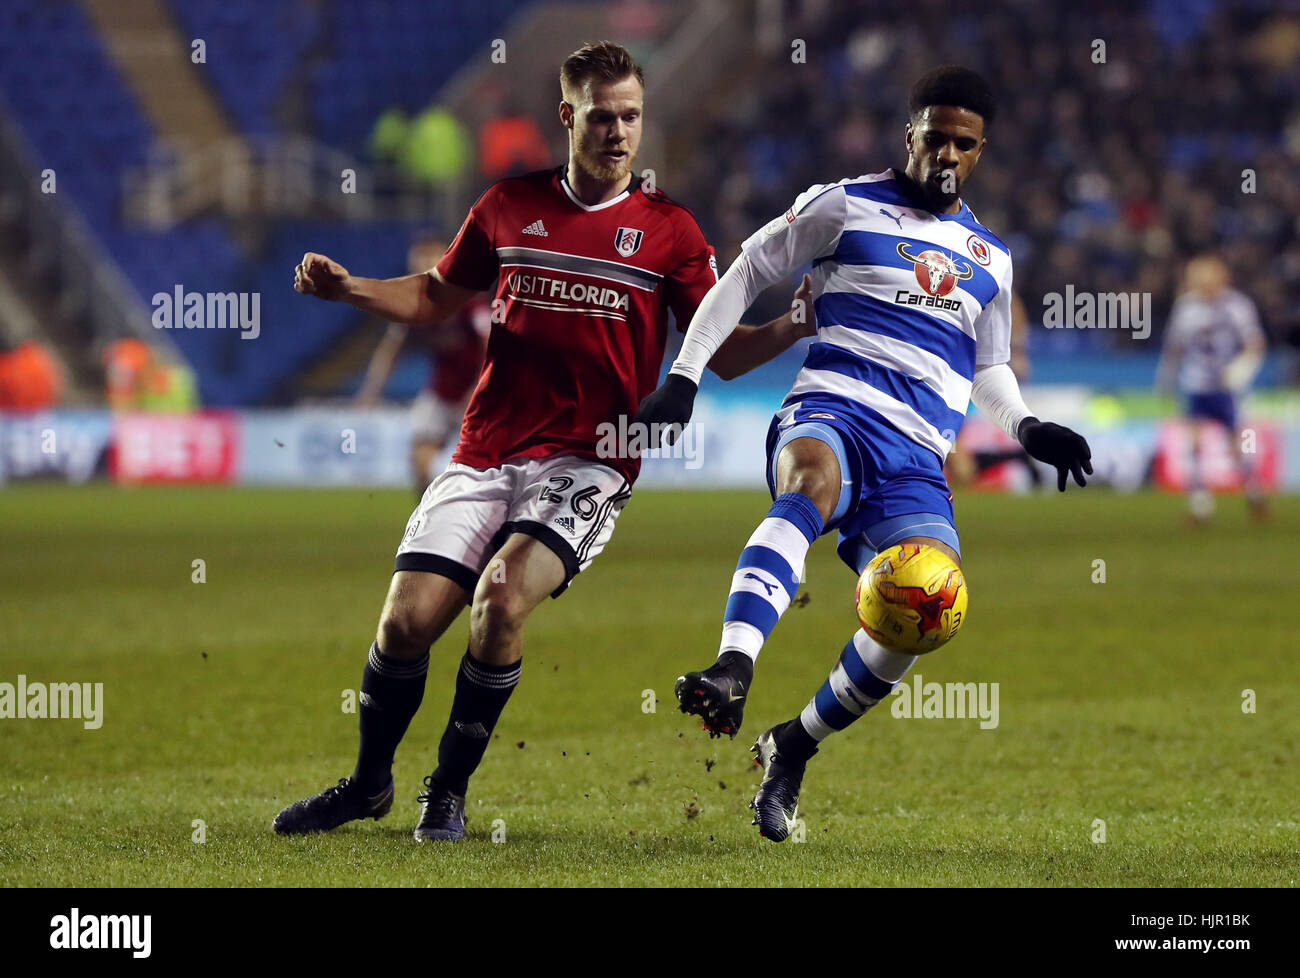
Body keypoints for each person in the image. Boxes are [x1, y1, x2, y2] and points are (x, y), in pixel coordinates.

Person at [274, 41, 813, 842]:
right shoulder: (506, 207)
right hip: (487, 447)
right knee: (404, 623)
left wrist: (795, 322)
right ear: (568, 117)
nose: (619, 132)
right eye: (603, 117)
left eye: (632, 117)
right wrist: (349, 287)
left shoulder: (670, 232)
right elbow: (434, 296)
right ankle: (367, 784)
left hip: (591, 460)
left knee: (497, 602)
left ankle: (446, 793)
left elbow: (723, 352)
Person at [636, 66, 1092, 841]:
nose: (946, 153)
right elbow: (747, 272)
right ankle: (733, 666)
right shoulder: (844, 204)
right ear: (909, 134)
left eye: (964, 143)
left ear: (981, 151)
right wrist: (683, 376)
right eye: (935, 136)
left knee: (930, 609)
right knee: (808, 486)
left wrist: (1026, 428)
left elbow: (988, 371)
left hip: (917, 458)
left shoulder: (990, 258)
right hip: (834, 412)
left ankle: (793, 746)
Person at [354, 235, 490, 494]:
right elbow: (391, 349)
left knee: (484, 469)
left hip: (478, 395)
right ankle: (427, 523)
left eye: (431, 259)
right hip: (441, 391)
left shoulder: (467, 300)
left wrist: (479, 387)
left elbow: (490, 344)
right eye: (419, 261)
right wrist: (372, 389)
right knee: (419, 464)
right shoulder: (413, 306)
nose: (424, 267)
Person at [1155, 254, 1268, 522]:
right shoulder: (1186, 307)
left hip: (1228, 388)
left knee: (1239, 443)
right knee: (1194, 443)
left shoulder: (1237, 305)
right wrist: (1166, 380)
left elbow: (1255, 343)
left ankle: (1254, 491)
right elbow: (1174, 348)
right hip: (1195, 384)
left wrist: (1241, 370)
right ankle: (1200, 504)